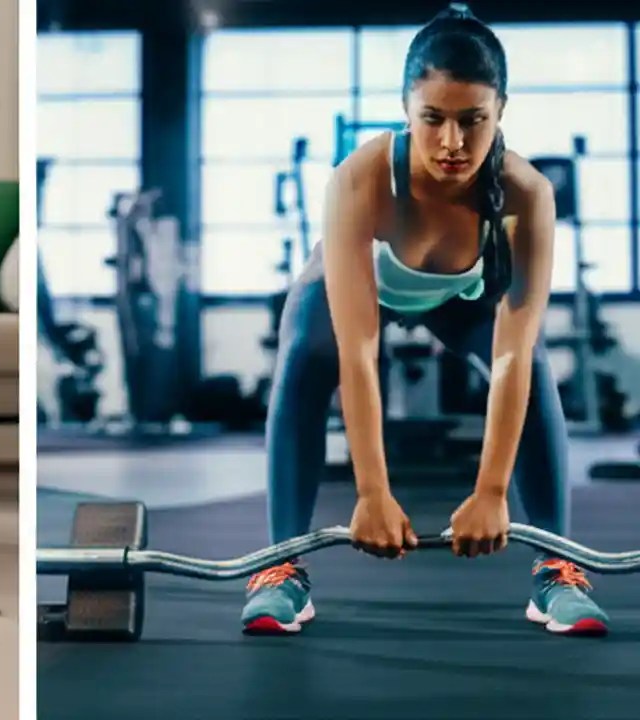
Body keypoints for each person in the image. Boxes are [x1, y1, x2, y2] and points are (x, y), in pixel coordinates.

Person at [240, 6, 609, 636]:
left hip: (459, 298)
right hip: (357, 291)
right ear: (406, 109)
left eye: (474, 121)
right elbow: (359, 355)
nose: (452, 144)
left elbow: (511, 355)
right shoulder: (360, 178)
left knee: (535, 364)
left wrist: (491, 491)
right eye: (433, 119)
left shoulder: (526, 193)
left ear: (502, 110)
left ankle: (557, 570)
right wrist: (371, 493)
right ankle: (282, 570)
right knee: (306, 353)